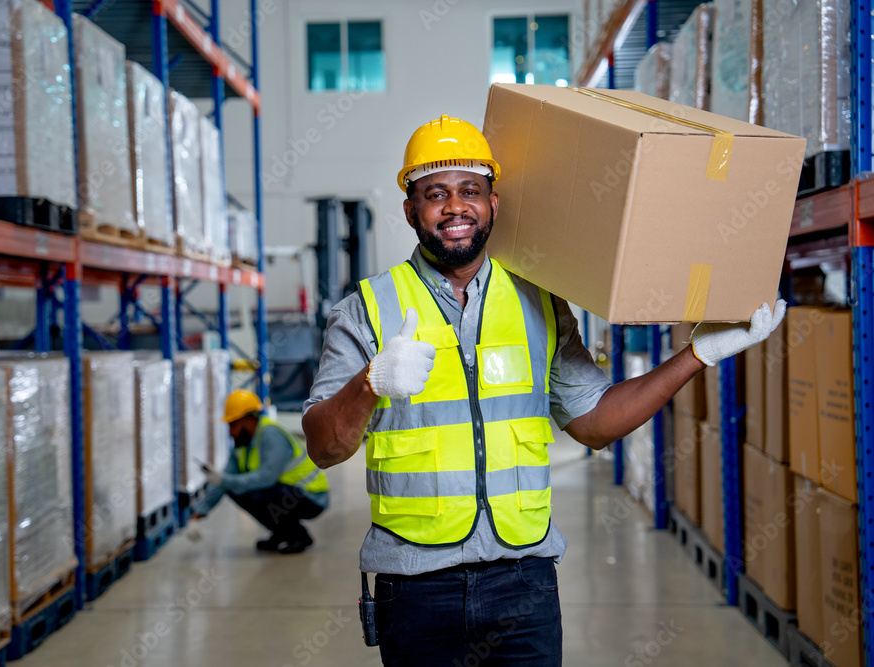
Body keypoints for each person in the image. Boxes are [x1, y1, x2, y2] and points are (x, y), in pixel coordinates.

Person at [301, 115, 785, 666]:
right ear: (410, 208)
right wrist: (372, 383)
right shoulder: (364, 310)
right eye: (435, 193)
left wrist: (697, 354)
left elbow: (595, 422)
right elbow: (324, 446)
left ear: (494, 204)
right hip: (415, 589)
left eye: (470, 191)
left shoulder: (541, 301)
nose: (455, 207)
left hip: (523, 584)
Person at [198, 389, 329, 555]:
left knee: (258, 496)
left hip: (311, 495)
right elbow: (223, 480)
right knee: (236, 489)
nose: (231, 432)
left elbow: (267, 478)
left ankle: (298, 536)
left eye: (233, 425)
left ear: (248, 419)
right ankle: (282, 533)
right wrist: (199, 512)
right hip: (288, 492)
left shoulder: (270, 434)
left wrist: (223, 480)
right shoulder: (243, 443)